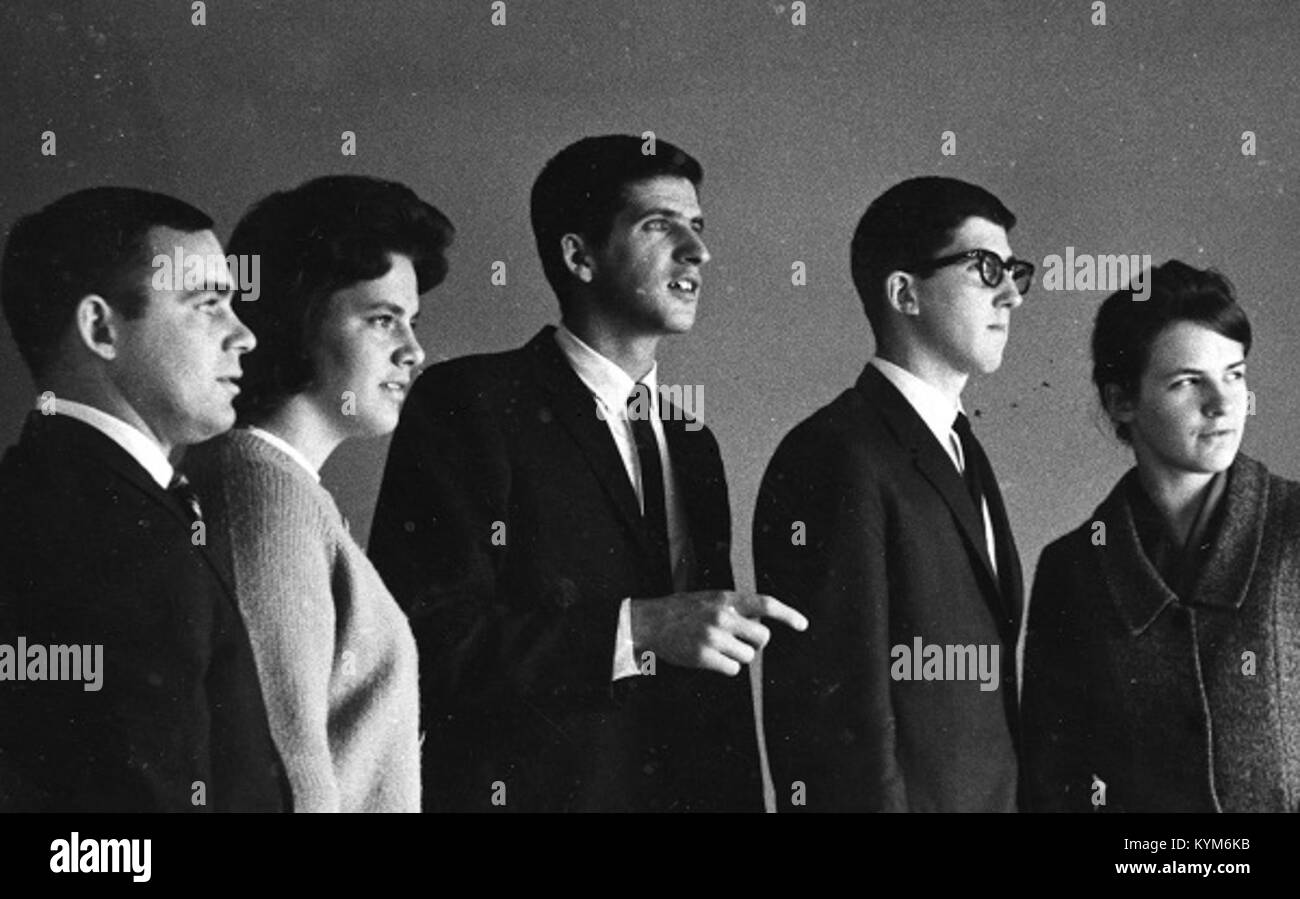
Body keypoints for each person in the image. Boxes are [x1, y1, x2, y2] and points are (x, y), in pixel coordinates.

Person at [370, 134, 806, 812]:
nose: (698, 251)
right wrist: (641, 629)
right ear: (578, 255)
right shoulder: (469, 405)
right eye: (659, 225)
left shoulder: (693, 441)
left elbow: (708, 667)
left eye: (697, 226)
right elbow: (426, 645)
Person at [0, 187, 286, 811]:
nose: (244, 336)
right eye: (207, 304)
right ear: (101, 328)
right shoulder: (116, 533)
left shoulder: (43, 488)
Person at [755, 176, 1029, 811]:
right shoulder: (834, 453)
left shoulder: (961, 446)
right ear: (904, 292)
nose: (1011, 294)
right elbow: (836, 720)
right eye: (985, 268)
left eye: (1015, 271)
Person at [184, 175, 453, 812]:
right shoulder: (261, 491)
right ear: (300, 319)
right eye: (383, 320)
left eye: (411, 322)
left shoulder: (285, 489)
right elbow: (286, 758)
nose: (413, 351)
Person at [1022, 260, 1300, 812]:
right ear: (1122, 401)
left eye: (1235, 374)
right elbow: (1052, 785)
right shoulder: (1072, 569)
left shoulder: (1292, 531)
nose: (1224, 404)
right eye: (1187, 381)